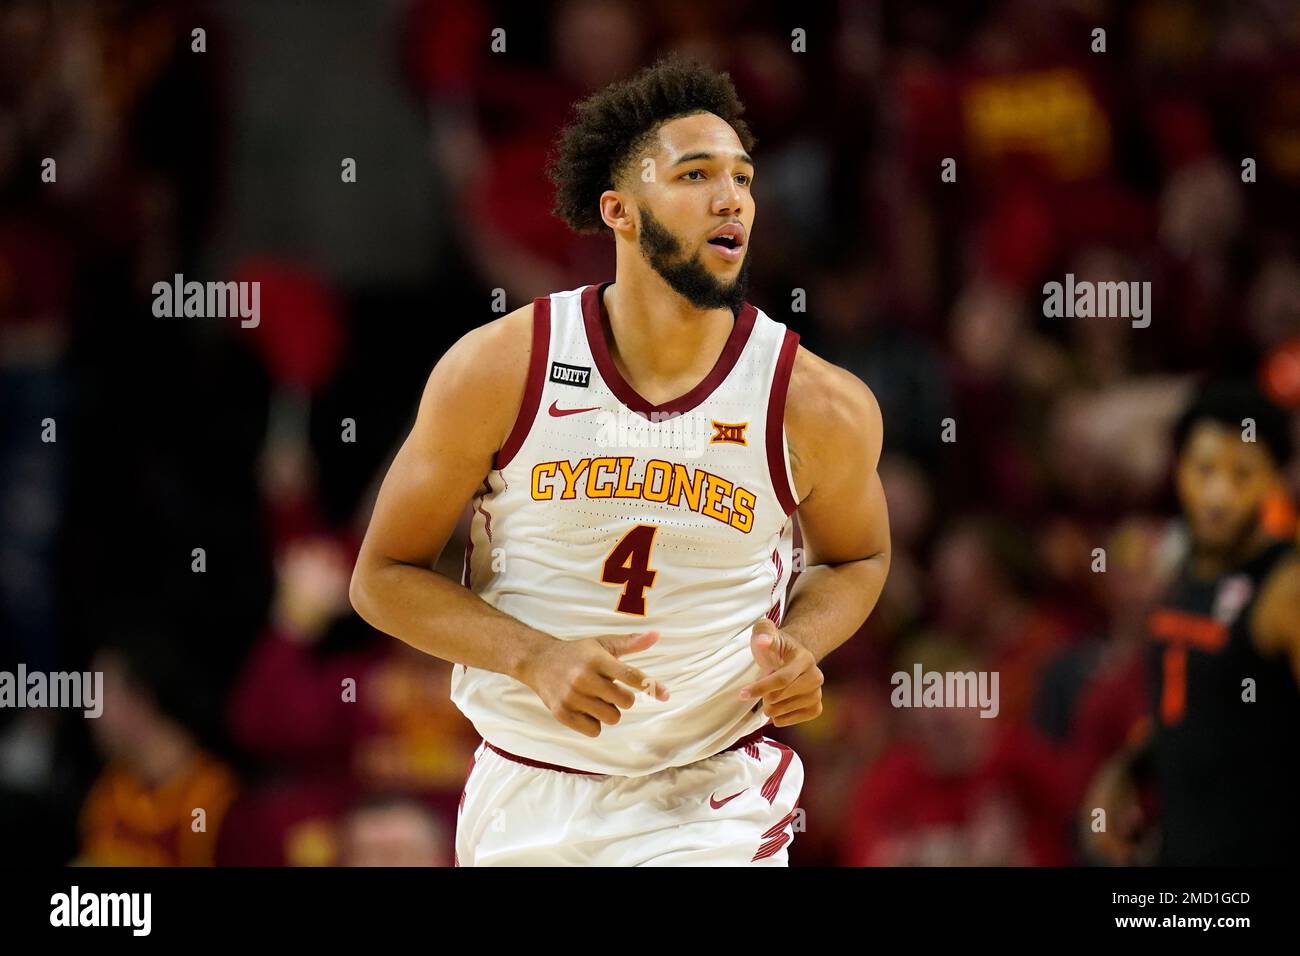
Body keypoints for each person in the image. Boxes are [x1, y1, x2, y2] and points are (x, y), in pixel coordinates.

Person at [350, 56, 890, 866]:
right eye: (696, 173)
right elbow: (381, 577)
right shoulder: (500, 367)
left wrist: (804, 645)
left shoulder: (816, 403)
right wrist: (530, 656)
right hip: (523, 790)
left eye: (742, 178)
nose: (730, 197)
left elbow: (859, 556)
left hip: (705, 798)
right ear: (621, 210)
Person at [1085, 380, 1300, 865]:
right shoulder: (1184, 573)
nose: (1218, 496)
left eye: (1242, 473)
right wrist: (1133, 766)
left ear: (1278, 478)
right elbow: (1201, 708)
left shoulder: (1285, 588)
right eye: (1204, 470)